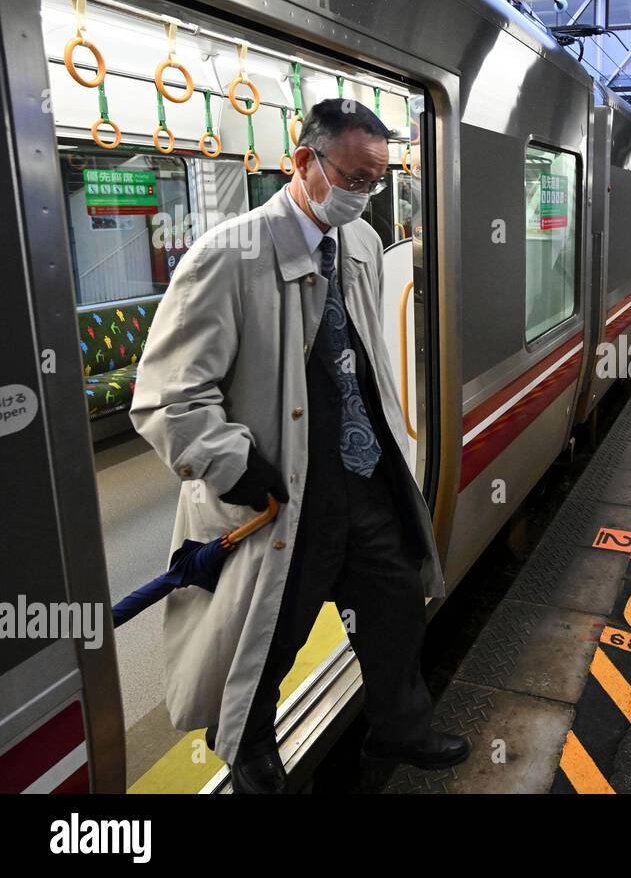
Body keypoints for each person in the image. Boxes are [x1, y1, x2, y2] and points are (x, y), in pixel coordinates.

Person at [131, 99, 468, 793]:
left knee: (397, 599)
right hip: (284, 495)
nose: (364, 193)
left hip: (364, 479)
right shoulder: (226, 257)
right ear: (304, 161)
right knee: (270, 634)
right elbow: (167, 397)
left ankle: (401, 729)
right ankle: (251, 749)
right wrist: (234, 465)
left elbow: (362, 354)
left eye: (376, 181)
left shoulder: (365, 245)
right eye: (353, 176)